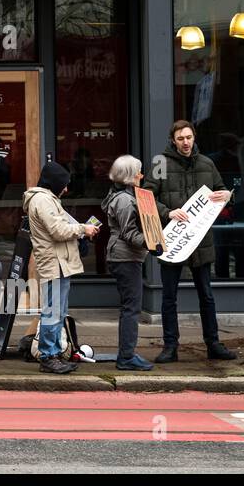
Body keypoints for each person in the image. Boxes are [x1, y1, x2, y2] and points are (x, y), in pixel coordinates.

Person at [143, 119, 237, 363]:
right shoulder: (161, 164)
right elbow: (146, 197)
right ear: (173, 141)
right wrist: (168, 213)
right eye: (180, 138)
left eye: (189, 137)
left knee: (206, 295)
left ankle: (213, 344)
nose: (185, 142)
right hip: (173, 240)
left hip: (201, 240)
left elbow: (222, 190)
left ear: (194, 137)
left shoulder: (207, 163)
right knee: (169, 297)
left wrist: (227, 196)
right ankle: (170, 347)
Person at [22, 160, 99, 375]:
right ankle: (48, 356)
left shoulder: (48, 199)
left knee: (58, 312)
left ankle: (54, 354)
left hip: (59, 263)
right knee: (52, 313)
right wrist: (83, 229)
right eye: (63, 184)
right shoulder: (43, 200)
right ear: (54, 182)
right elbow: (57, 231)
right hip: (54, 264)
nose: (65, 189)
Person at [101, 154, 153, 371]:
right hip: (125, 257)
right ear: (130, 175)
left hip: (126, 256)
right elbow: (128, 233)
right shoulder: (124, 200)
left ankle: (127, 354)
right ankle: (126, 357)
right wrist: (150, 243)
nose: (142, 175)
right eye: (138, 172)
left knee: (130, 307)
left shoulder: (124, 195)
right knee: (132, 309)